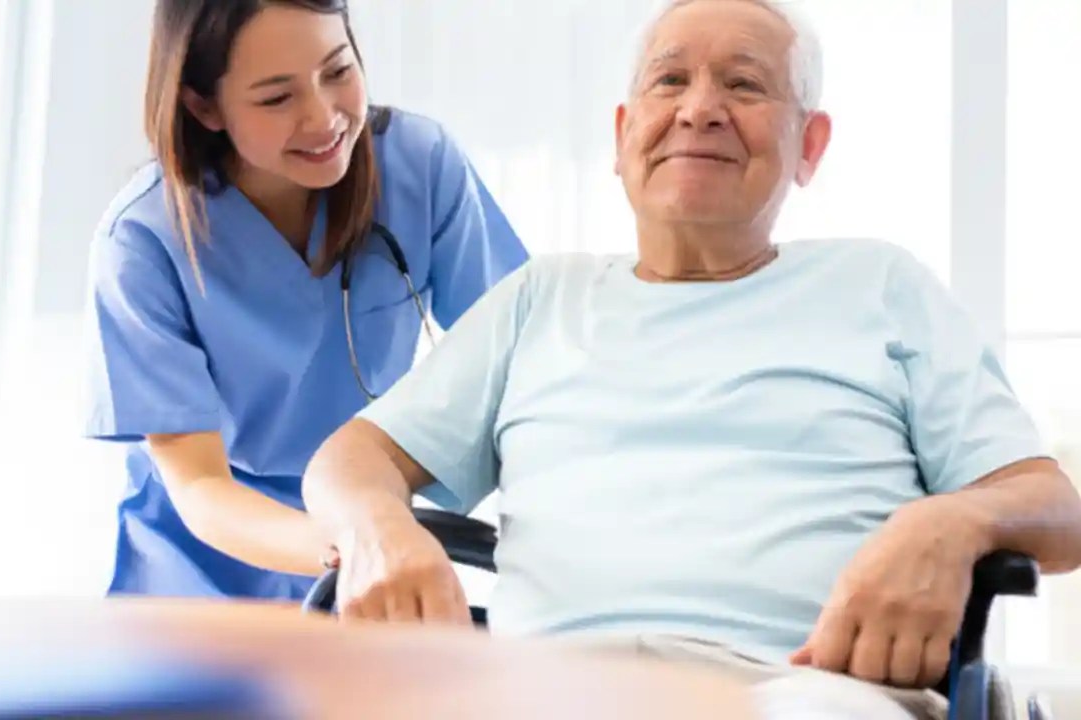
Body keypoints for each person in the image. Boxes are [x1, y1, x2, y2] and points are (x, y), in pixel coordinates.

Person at [301, 0, 1081, 717]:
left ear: (809, 146)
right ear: (621, 135)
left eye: (744, 85)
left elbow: (1057, 510)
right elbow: (349, 460)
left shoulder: (879, 286)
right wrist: (379, 528)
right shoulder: (541, 300)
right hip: (553, 687)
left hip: (805, 689)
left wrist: (950, 523)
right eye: (669, 79)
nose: (699, 109)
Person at [80, 0, 528, 601]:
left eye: (338, 72)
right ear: (203, 105)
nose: (323, 118)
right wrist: (358, 543)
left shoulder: (418, 167)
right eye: (275, 99)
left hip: (367, 529)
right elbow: (199, 488)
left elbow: (519, 365)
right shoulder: (144, 241)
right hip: (201, 571)